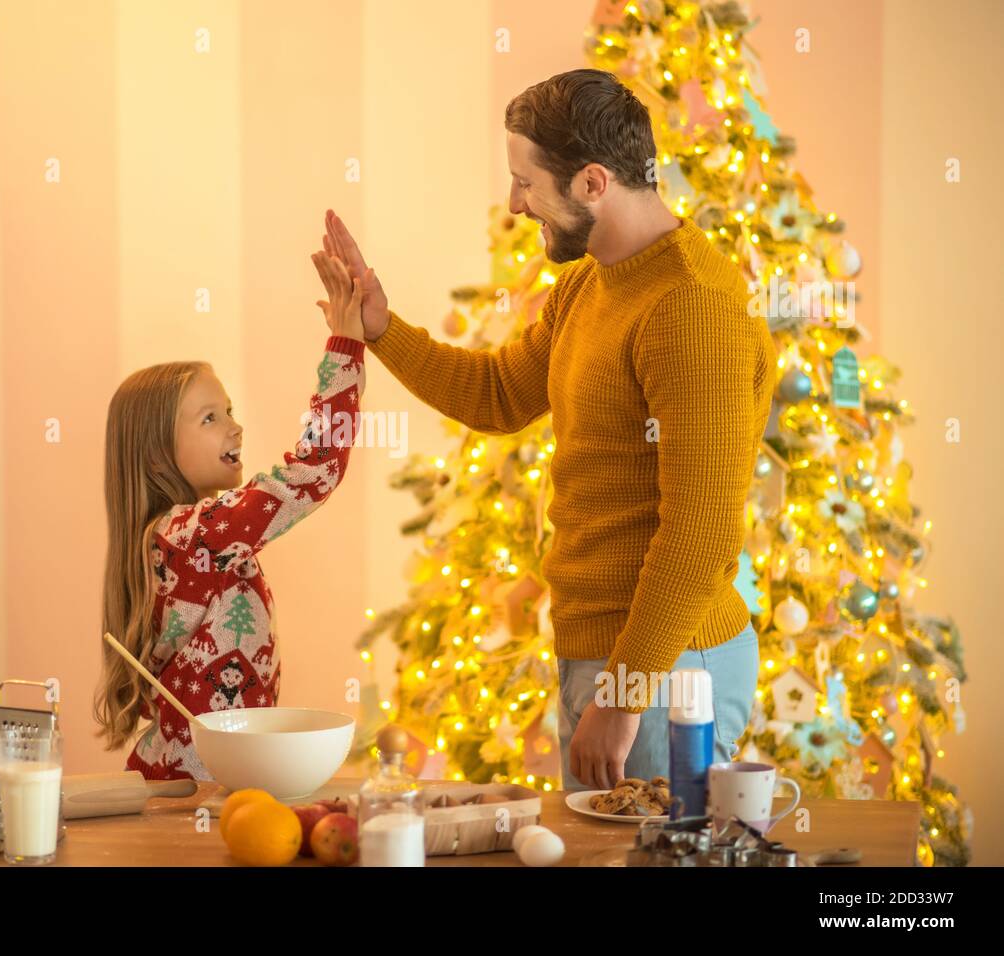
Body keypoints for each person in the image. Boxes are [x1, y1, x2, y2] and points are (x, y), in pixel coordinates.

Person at [321, 68, 777, 792]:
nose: (513, 204)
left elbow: (701, 531)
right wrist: (380, 326)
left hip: (666, 672)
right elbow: (497, 394)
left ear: (593, 182)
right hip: (611, 662)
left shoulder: (691, 307)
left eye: (525, 183)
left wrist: (625, 695)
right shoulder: (590, 285)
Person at [92, 252, 367, 779]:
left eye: (230, 411)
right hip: (192, 791)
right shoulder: (194, 534)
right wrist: (346, 345)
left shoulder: (175, 537)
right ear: (156, 456)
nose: (234, 428)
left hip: (205, 781)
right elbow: (316, 469)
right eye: (210, 418)